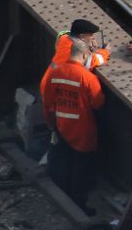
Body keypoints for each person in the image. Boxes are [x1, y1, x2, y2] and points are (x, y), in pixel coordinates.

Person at [41, 38, 105, 213]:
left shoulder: (56, 73)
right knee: (81, 169)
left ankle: (61, 195)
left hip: (61, 125)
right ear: (84, 55)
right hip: (82, 129)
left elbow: (48, 101)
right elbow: (98, 103)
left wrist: (50, 123)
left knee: (64, 161)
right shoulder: (87, 77)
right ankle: (78, 205)